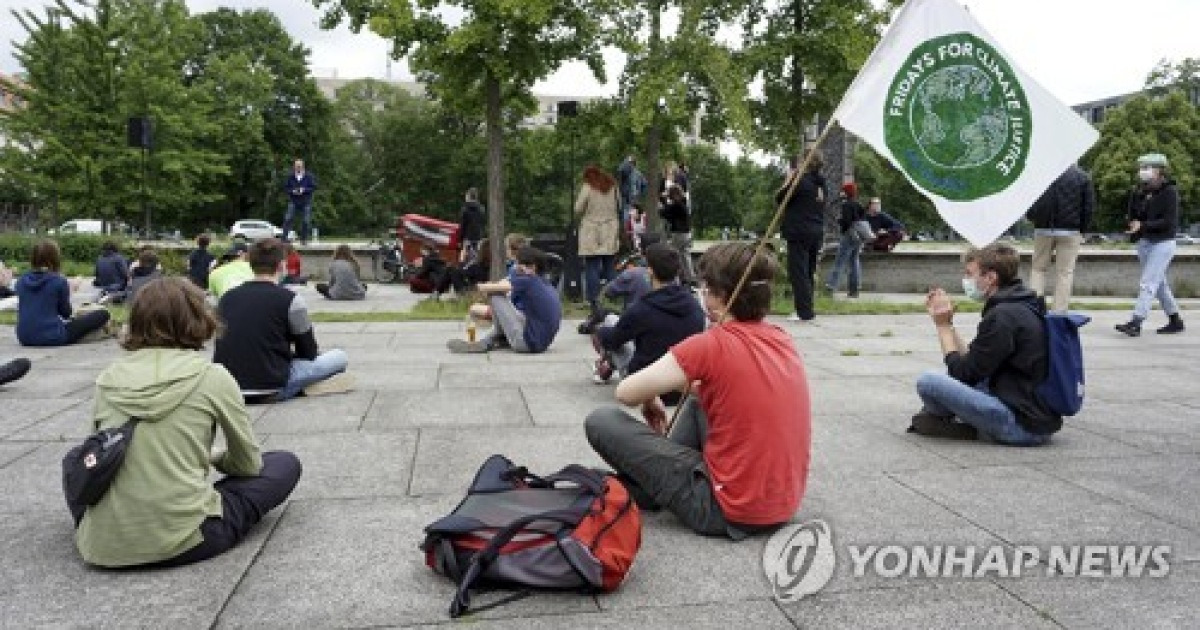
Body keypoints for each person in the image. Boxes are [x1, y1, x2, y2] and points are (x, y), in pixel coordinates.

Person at [67, 277, 301, 568]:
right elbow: (248, 465)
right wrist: (213, 455)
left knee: (75, 458)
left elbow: (98, 456)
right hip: (189, 538)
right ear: (200, 319)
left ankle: (111, 524)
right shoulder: (212, 377)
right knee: (283, 464)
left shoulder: (109, 378)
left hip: (101, 547)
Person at [584, 242, 811, 539]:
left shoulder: (710, 344)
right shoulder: (780, 337)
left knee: (602, 420)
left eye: (704, 288)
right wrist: (684, 387)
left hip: (723, 509)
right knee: (698, 401)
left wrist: (650, 395)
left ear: (718, 295)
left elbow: (626, 392)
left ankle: (654, 486)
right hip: (781, 506)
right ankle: (654, 483)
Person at [908, 244, 1062, 446]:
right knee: (950, 384)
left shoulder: (1003, 317)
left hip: (1020, 424)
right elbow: (975, 363)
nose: (966, 280)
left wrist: (942, 327)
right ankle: (945, 416)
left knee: (928, 381)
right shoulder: (1022, 304)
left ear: (990, 278)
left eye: (970, 274)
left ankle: (952, 421)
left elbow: (961, 374)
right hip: (1033, 413)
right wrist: (950, 324)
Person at [214, 238, 351, 402]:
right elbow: (308, 352)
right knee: (339, 356)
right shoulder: (290, 299)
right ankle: (299, 386)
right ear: (281, 266)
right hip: (272, 385)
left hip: (229, 387)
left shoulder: (227, 298)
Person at [592, 242, 706, 390]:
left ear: (650, 271)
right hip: (682, 385)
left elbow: (613, 340)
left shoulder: (643, 308)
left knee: (610, 323)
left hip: (646, 386)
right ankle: (608, 364)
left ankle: (606, 364)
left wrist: (600, 332)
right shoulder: (694, 306)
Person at [1116, 153, 1185, 336]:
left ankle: (1136, 322)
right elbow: (1133, 215)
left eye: (1147, 168)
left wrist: (1143, 225)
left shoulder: (1170, 192)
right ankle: (1175, 320)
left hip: (1163, 244)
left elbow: (1169, 222)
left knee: (1148, 282)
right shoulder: (1139, 191)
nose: (1143, 172)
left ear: (1159, 171)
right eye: (1142, 168)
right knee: (1159, 284)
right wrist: (1131, 223)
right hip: (1144, 242)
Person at [447, 246, 562, 354]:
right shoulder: (545, 283)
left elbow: (495, 288)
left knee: (495, 294)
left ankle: (492, 338)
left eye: (517, 263)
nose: (515, 266)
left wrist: (480, 286)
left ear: (531, 267)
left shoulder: (528, 280)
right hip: (542, 344)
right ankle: (495, 340)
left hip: (527, 343)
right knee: (516, 310)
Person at [1026, 164, 1094, 312]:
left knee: (1038, 269)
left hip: (1043, 229)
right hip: (1070, 231)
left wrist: (1035, 220)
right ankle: (1059, 311)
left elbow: (1030, 201)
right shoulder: (1082, 177)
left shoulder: (1042, 174)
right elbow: (1088, 207)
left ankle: (1035, 306)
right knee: (1065, 272)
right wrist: (1082, 230)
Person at [16, 240, 111, 347]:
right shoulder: (58, 281)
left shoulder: (21, 280)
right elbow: (66, 313)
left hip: (24, 337)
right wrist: (70, 290)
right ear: (55, 258)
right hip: (52, 336)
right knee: (103, 314)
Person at [777, 152, 827, 322]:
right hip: (816, 230)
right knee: (808, 271)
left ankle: (804, 312)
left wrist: (788, 180)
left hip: (799, 231)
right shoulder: (821, 184)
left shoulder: (799, 182)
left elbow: (780, 198)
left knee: (798, 272)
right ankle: (807, 308)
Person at [575, 165, 623, 316]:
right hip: (610, 229)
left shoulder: (588, 187)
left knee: (592, 267)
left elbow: (578, 208)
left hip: (591, 231)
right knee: (610, 267)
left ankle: (594, 301)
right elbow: (620, 205)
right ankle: (612, 299)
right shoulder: (613, 186)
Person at [824, 182, 866, 298]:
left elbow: (847, 222)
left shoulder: (846, 205)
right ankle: (854, 289)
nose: (841, 192)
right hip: (858, 237)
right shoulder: (858, 205)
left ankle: (831, 287)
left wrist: (840, 220)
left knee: (840, 261)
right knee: (854, 262)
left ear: (846, 192)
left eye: (843, 191)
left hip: (848, 236)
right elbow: (862, 218)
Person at [660, 185, 695, 285]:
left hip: (679, 233)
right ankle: (690, 278)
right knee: (685, 255)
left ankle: (677, 278)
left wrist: (663, 200)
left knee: (674, 254)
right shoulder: (684, 202)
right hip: (687, 233)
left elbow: (664, 213)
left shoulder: (676, 205)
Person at [281, 158, 317, 244]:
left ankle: (303, 239)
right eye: (296, 166)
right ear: (294, 166)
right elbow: (286, 188)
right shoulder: (290, 176)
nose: (298, 168)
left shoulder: (309, 176)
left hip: (306, 201)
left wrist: (304, 190)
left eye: (299, 166)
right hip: (293, 200)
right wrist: (292, 191)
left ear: (303, 166)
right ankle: (283, 239)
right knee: (288, 219)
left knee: (306, 221)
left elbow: (313, 187)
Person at [457, 187, 486, 264]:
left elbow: (462, 226)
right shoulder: (482, 209)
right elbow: (482, 223)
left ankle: (463, 270)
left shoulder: (465, 209)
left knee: (464, 257)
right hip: (479, 237)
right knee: (476, 257)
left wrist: (460, 239)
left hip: (468, 237)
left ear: (468, 196)